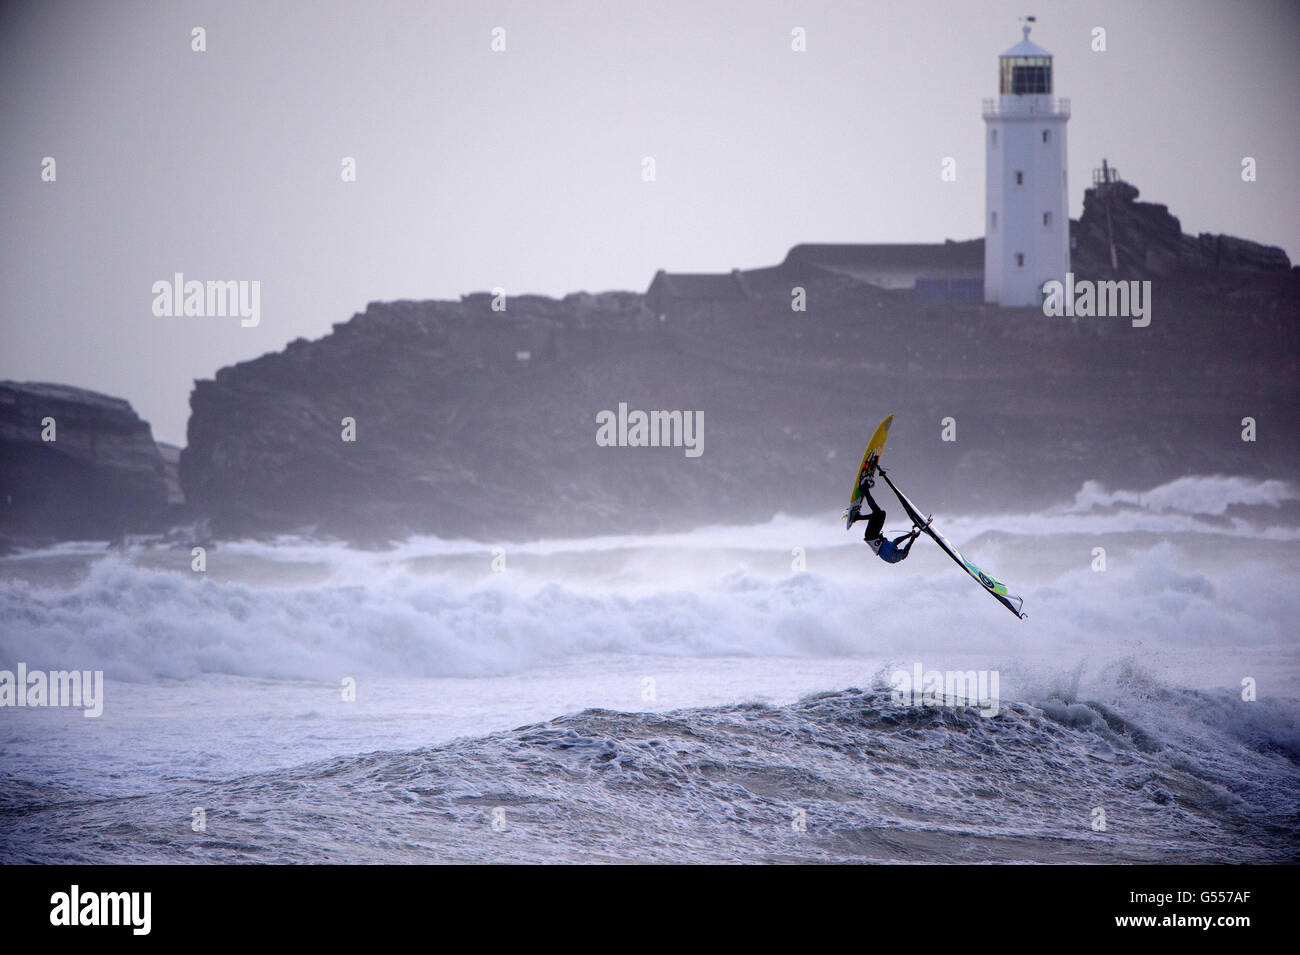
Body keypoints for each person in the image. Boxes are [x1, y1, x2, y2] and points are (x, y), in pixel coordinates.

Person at [846, 469, 922, 564]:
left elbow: (906, 550)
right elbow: (896, 540)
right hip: (874, 534)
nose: (902, 551)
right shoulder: (895, 549)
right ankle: (857, 517)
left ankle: (864, 490)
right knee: (882, 514)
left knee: (877, 512)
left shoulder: (895, 557)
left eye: (903, 552)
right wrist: (910, 535)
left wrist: (912, 539)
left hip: (871, 536)